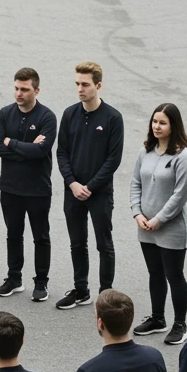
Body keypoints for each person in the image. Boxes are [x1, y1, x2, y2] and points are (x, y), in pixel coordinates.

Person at [55, 63, 124, 309]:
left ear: (98, 85)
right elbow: (61, 152)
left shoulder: (112, 117)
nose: (80, 89)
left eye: (85, 84)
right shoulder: (69, 114)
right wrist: (73, 183)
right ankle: (81, 290)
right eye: (77, 84)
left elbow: (113, 159)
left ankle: (106, 296)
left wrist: (90, 187)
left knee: (103, 244)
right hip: (72, 191)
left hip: (99, 194)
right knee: (77, 243)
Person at [129, 103, 187, 346]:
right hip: (145, 225)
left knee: (174, 275)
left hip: (170, 227)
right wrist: (137, 213)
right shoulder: (145, 151)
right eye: (154, 121)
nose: (157, 126)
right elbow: (135, 182)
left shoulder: (183, 156)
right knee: (154, 273)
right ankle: (158, 318)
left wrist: (159, 219)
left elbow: (180, 195)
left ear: (173, 125)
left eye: (162, 123)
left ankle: (180, 324)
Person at [0, 68, 57, 302]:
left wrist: (12, 143)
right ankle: (14, 279)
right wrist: (26, 148)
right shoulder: (4, 114)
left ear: (36, 90)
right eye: (17, 88)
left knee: (41, 237)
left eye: (25, 89)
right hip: (9, 188)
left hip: (38, 190)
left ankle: (41, 283)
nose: (19, 93)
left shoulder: (47, 117)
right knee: (13, 234)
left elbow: (41, 152)